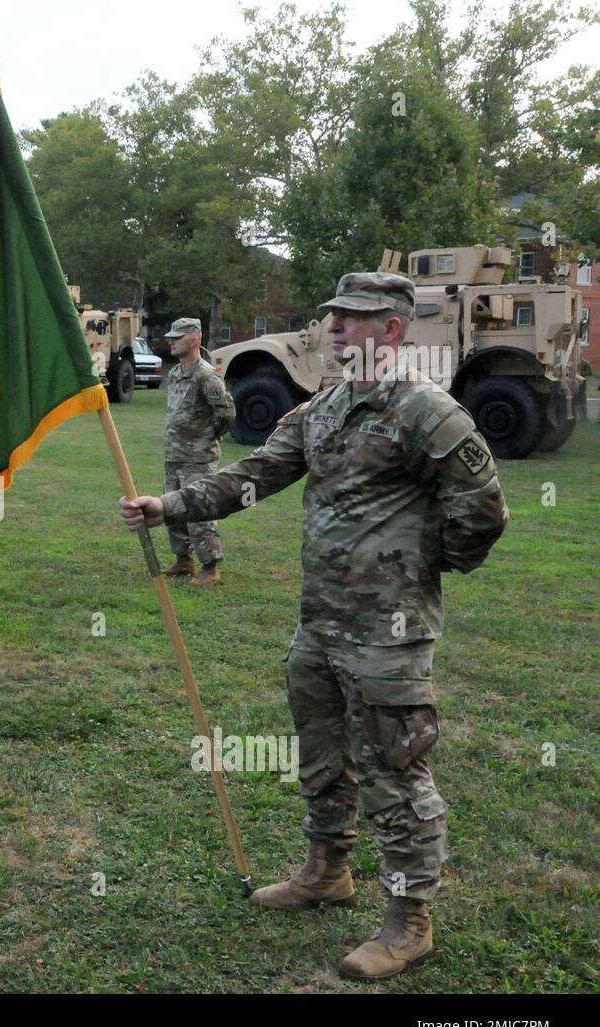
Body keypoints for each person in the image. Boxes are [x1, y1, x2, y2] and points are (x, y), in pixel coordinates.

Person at [118, 272, 509, 980]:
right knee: (324, 757)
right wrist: (169, 505)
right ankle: (327, 871)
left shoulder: (426, 411)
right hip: (320, 625)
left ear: (390, 331)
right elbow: (255, 476)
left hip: (388, 636)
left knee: (397, 772)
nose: (334, 328)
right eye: (332, 316)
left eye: (352, 319)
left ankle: (408, 921)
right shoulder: (322, 408)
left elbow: (483, 509)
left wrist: (424, 566)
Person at [161, 317, 235, 587]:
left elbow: (226, 414)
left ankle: (210, 566)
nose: (170, 341)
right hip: (175, 455)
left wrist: (208, 437)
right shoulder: (175, 374)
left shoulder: (206, 376)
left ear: (193, 340)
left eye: (176, 337)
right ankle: (183, 561)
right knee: (173, 511)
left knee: (199, 511)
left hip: (198, 459)